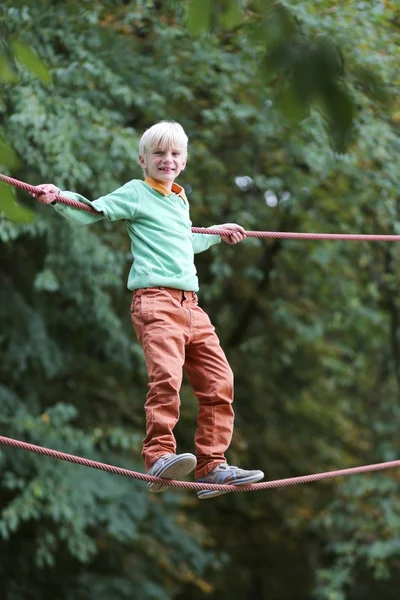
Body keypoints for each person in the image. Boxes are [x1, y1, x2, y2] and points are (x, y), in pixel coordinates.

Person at [33, 120, 264, 499]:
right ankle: (159, 456)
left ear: (184, 161)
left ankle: (212, 467)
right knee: (167, 378)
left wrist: (216, 233)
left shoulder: (178, 200)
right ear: (143, 159)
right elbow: (92, 210)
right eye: (158, 153)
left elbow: (182, 243)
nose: (166, 160)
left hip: (192, 307)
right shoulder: (137, 193)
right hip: (156, 302)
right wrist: (58, 196)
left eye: (174, 154)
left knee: (220, 381)